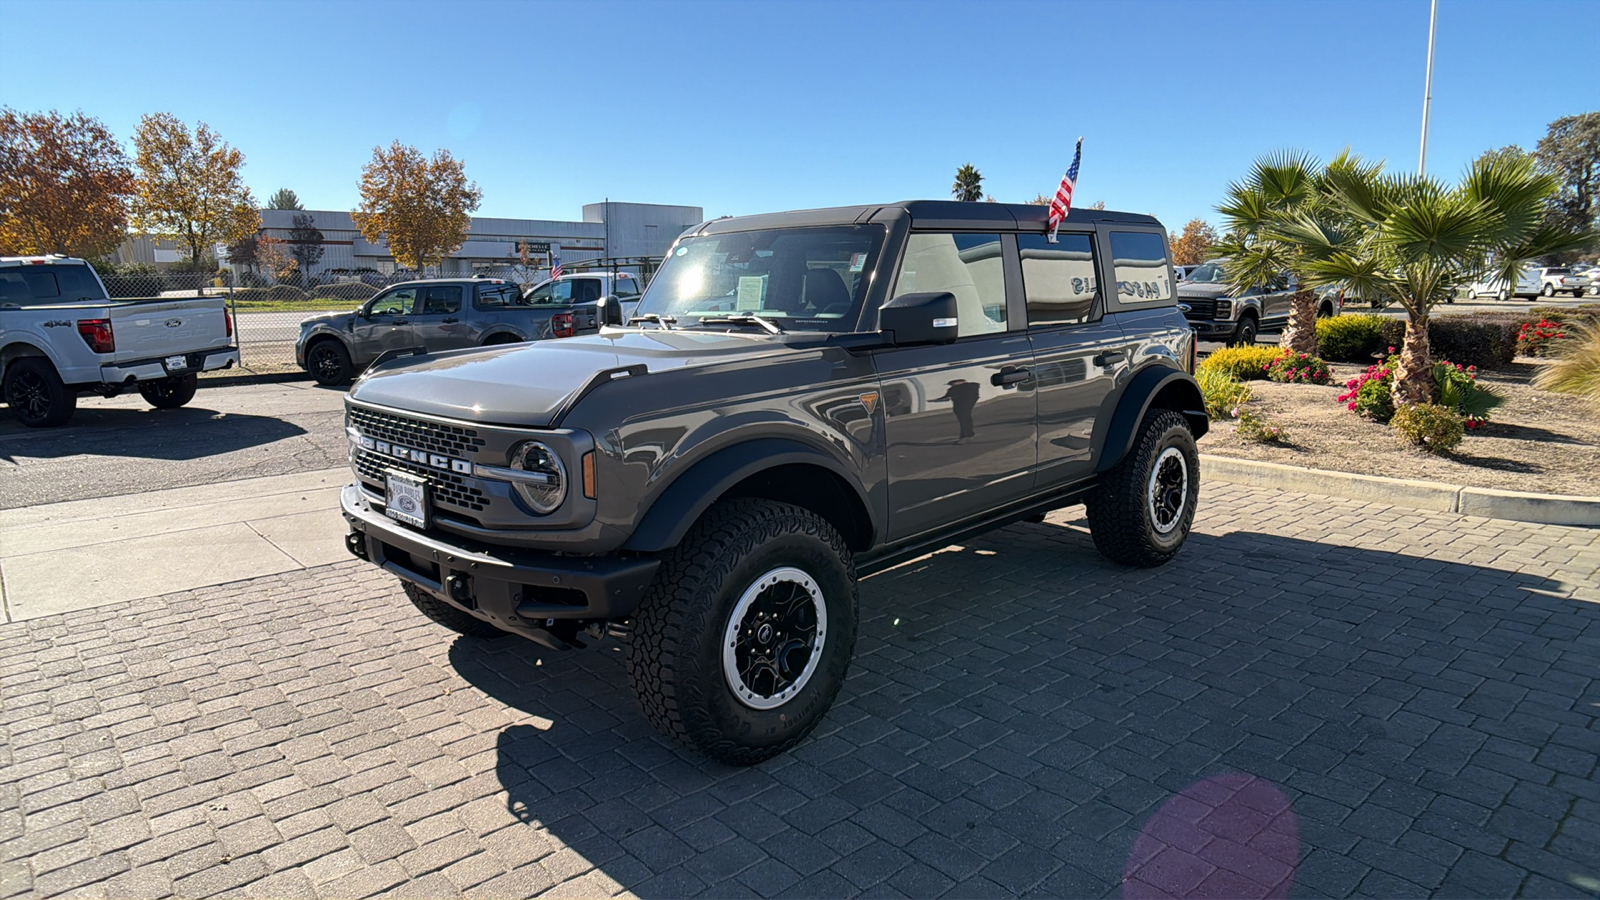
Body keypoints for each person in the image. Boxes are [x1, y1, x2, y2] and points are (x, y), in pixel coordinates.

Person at [933, 379, 979, 443]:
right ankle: (968, 435)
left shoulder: (957, 389)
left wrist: (938, 400)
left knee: (964, 420)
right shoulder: (972, 386)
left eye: (953, 383)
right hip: (964, 406)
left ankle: (966, 435)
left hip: (962, 406)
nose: (952, 385)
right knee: (966, 419)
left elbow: (947, 397)